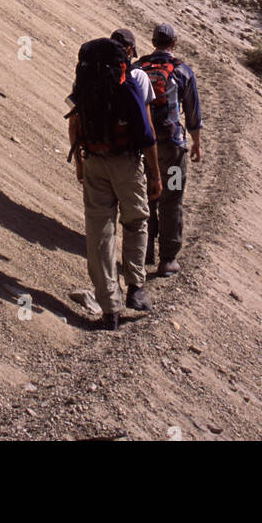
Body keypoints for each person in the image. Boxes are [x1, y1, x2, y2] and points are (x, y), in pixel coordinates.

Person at [67, 35, 162, 331]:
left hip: (93, 158)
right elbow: (146, 132)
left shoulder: (85, 79)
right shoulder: (131, 79)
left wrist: (80, 162)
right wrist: (156, 173)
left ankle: (109, 308)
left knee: (100, 233)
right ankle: (135, 287)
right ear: (128, 53)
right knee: (135, 221)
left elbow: (73, 120)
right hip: (126, 162)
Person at [136, 23, 203, 277]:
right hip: (173, 148)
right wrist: (196, 142)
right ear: (174, 44)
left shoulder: (139, 68)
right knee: (172, 198)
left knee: (147, 195)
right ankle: (168, 260)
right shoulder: (182, 71)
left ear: (153, 42)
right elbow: (193, 111)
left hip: (144, 146)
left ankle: (144, 253)